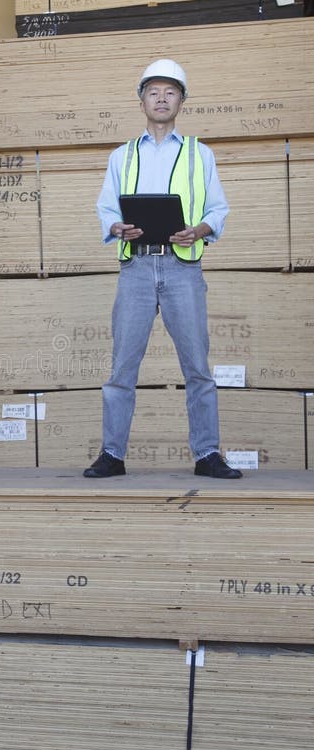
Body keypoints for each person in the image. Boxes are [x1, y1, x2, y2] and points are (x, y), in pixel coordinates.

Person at [84, 58, 242, 480]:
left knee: (197, 367)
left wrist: (200, 230)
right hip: (136, 268)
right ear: (141, 101)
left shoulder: (200, 154)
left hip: (182, 268)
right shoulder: (122, 156)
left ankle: (207, 454)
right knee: (122, 368)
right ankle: (112, 455)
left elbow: (217, 209)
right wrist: (115, 226)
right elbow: (106, 208)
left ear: (181, 102)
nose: (161, 98)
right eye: (153, 92)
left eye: (170, 92)